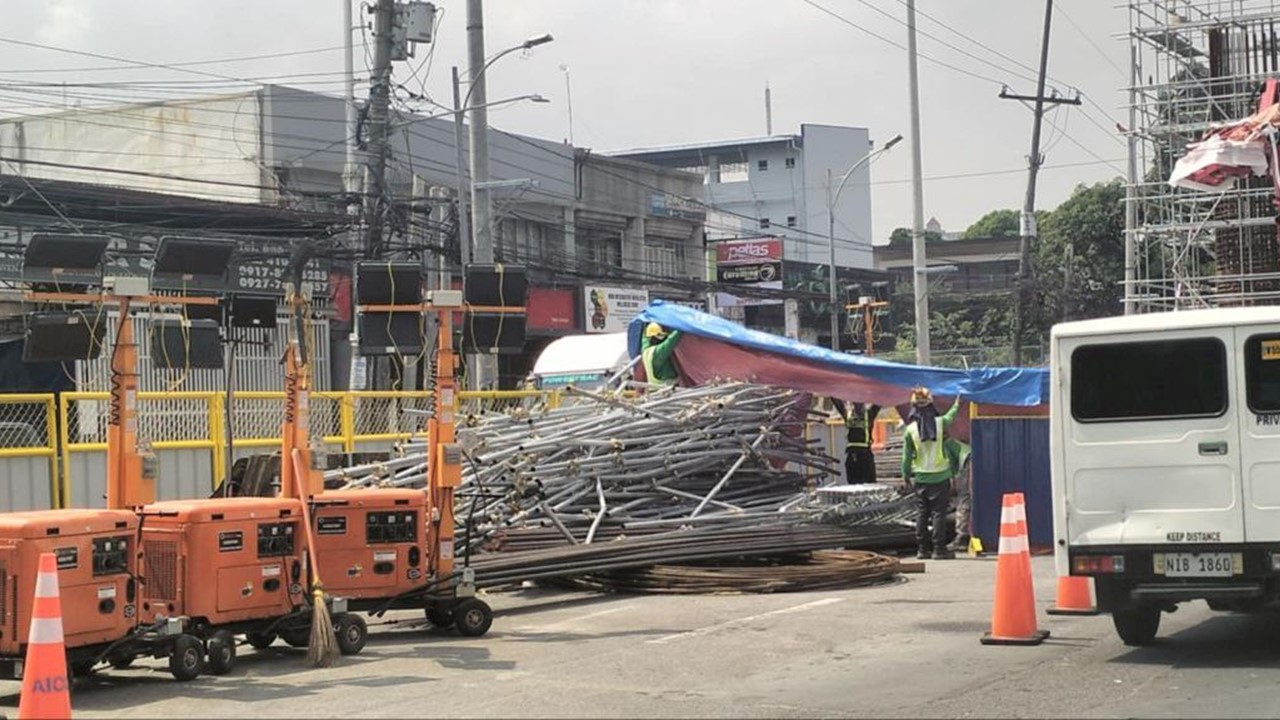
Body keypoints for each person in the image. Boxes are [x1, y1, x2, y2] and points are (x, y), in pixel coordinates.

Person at [901, 387, 963, 560]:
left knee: (922, 513)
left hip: (920, 478)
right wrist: (957, 403)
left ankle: (922, 550)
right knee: (938, 514)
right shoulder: (940, 423)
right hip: (940, 476)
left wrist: (905, 475)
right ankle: (939, 550)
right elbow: (951, 416)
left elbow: (906, 457)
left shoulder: (910, 430)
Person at [830, 398, 881, 484]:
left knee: (854, 485)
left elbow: (837, 403)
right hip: (864, 455)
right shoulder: (868, 414)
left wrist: (830, 390)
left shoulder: (849, 414)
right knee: (869, 485)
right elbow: (879, 402)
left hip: (853, 455)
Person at [945, 438, 973, 553]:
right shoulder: (952, 442)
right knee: (966, 498)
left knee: (964, 497)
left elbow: (951, 466)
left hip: (968, 462)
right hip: (969, 459)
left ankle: (962, 537)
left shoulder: (945, 445)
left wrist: (953, 483)